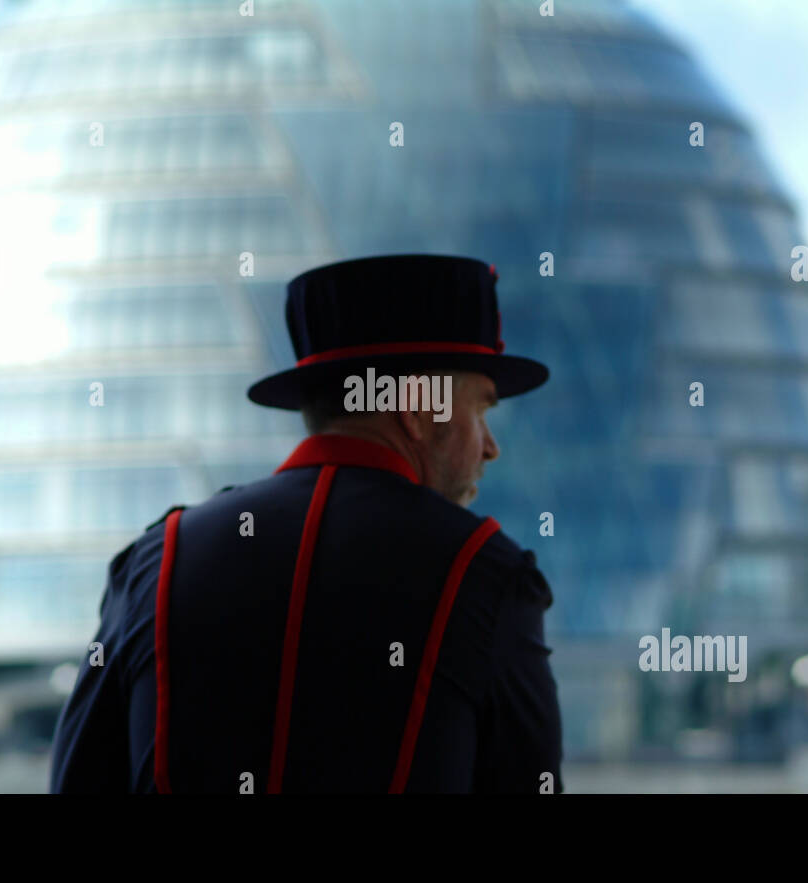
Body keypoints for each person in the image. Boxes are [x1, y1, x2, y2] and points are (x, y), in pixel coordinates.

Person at [49, 254, 563, 793]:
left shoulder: (159, 562)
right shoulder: (487, 575)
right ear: (416, 409)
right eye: (480, 410)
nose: (490, 446)